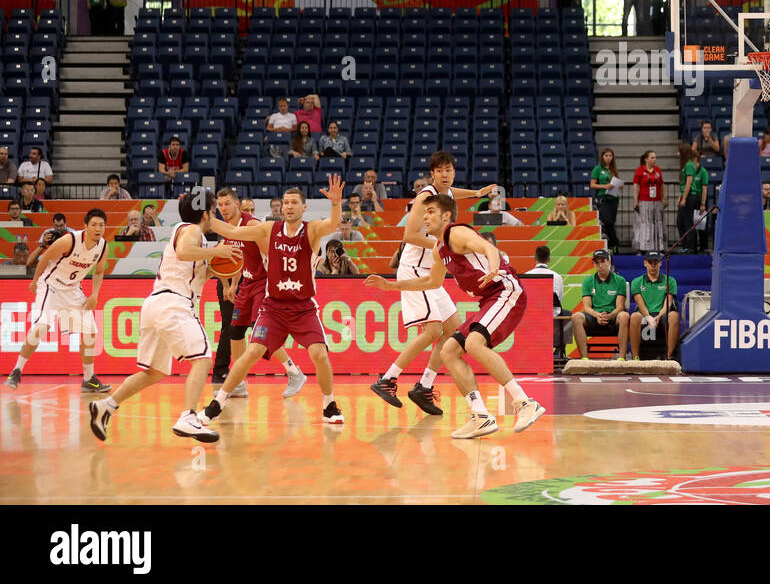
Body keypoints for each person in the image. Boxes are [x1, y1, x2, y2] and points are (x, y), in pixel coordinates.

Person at [365, 194, 546, 438]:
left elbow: (489, 248)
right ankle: (480, 415)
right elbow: (432, 281)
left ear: (446, 216)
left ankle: (525, 403)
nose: (425, 217)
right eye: (424, 212)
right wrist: (391, 286)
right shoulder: (439, 249)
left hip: (506, 291)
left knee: (473, 343)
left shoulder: (456, 232)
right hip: (489, 299)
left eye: (431, 212)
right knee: (449, 351)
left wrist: (494, 267)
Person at [87, 193, 238, 444]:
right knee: (202, 359)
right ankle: (188, 416)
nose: (214, 216)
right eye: (213, 211)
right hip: (173, 304)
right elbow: (184, 252)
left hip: (157, 304)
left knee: (154, 372)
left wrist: (221, 269)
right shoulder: (191, 230)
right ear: (204, 214)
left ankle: (107, 405)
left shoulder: (189, 235)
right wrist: (216, 250)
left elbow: (197, 271)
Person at [201, 177, 347, 427]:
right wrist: (202, 215)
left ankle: (329, 405)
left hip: (303, 308)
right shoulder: (269, 229)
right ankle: (217, 403)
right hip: (274, 308)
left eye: (294, 202)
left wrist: (335, 204)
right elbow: (232, 232)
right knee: (251, 352)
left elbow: (333, 223)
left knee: (320, 355)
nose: (289, 206)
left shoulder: (311, 230)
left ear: (304, 207)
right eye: (285, 202)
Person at [367, 151, 488, 415]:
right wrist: (441, 244)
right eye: (440, 170)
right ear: (432, 174)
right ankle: (387, 379)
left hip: (431, 270)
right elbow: (409, 235)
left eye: (449, 170)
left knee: (453, 331)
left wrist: (477, 193)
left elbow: (454, 192)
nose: (445, 175)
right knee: (433, 331)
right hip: (413, 269)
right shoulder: (425, 197)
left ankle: (424, 386)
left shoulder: (448, 194)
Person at [6, 208, 110, 393]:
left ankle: (88, 379)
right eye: (94, 224)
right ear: (85, 226)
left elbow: (99, 271)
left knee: (90, 332)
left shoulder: (103, 246)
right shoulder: (70, 240)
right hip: (50, 285)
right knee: (41, 328)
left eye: (101, 225)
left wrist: (95, 294)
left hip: (73, 289)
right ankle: (16, 370)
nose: (98, 228)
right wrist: (34, 281)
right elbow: (44, 258)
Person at [212, 189, 304, 397]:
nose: (223, 208)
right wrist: (232, 285)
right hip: (246, 283)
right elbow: (239, 258)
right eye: (220, 205)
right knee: (235, 331)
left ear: (237, 205)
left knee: (260, 332)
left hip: (264, 283)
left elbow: (272, 255)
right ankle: (238, 383)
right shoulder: (229, 229)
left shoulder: (252, 225)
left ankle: (294, 372)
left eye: (227, 204)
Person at [570, 248, 629, 359]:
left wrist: (608, 316)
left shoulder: (620, 280)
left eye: (603, 261)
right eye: (597, 262)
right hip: (594, 316)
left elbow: (620, 306)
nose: (600, 265)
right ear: (594, 264)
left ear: (609, 261)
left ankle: (621, 358)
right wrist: (598, 316)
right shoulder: (587, 281)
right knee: (576, 317)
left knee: (624, 316)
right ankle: (584, 358)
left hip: (613, 316)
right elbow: (587, 307)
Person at [630, 251, 679, 359]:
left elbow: (668, 304)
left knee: (674, 316)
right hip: (644, 314)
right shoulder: (636, 282)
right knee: (634, 316)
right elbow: (640, 304)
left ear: (660, 263)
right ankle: (635, 357)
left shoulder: (670, 281)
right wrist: (648, 318)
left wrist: (658, 316)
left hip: (662, 314)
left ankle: (669, 357)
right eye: (650, 262)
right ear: (645, 263)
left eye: (656, 262)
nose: (653, 265)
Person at [525, 245, 567, 357]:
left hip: (531, 317)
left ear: (535, 258)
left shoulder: (526, 276)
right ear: (549, 259)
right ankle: (559, 350)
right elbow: (559, 300)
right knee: (566, 313)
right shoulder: (557, 277)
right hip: (552, 316)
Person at [676, 143, 709, 253]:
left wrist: (684, 198)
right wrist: (680, 196)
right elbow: (683, 184)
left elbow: (689, 182)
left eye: (679, 151)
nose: (677, 154)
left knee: (688, 223)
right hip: (686, 195)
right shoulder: (686, 165)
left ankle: (690, 247)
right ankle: (686, 246)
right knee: (680, 222)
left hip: (690, 196)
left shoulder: (690, 165)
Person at [632, 149, 665, 253]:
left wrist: (665, 198)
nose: (655, 159)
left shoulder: (658, 170)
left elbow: (661, 185)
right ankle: (641, 247)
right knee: (644, 223)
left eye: (655, 157)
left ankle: (658, 247)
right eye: (652, 157)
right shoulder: (640, 170)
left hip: (657, 201)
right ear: (646, 159)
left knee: (657, 223)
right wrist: (635, 200)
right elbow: (636, 186)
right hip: (644, 201)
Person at [590, 148, 621, 253]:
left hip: (614, 198)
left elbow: (615, 182)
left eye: (610, 156)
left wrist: (619, 186)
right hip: (603, 198)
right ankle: (615, 242)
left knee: (611, 222)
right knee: (607, 221)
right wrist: (605, 186)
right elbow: (592, 185)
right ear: (602, 157)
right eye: (606, 155)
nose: (608, 158)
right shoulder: (597, 169)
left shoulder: (613, 169)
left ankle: (610, 245)